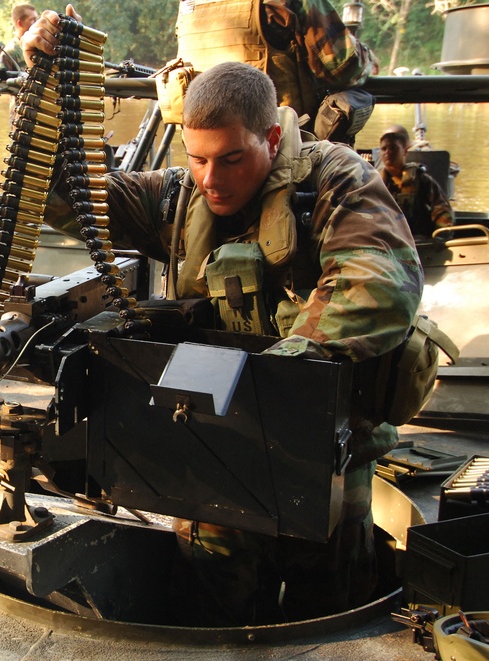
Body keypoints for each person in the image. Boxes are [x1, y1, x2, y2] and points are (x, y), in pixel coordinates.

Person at [24, 8, 421, 624]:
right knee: (209, 611)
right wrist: (46, 80)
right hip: (214, 451)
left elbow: (379, 289)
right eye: (199, 158)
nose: (212, 178)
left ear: (269, 138)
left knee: (326, 618)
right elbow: (62, 197)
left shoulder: (338, 179)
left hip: (321, 453)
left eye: (232, 159)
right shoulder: (183, 193)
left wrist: (272, 378)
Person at [163, 0, 378, 144]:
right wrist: (369, 60)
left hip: (204, 155)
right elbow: (344, 66)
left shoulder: (188, 5)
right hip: (279, 148)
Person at [378, 124, 454, 240]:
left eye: (393, 148)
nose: (388, 152)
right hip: (386, 242)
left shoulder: (421, 180)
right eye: (384, 149)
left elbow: (441, 208)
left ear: (404, 151)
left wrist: (441, 234)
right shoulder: (374, 182)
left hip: (418, 241)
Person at [0, 4, 38, 73]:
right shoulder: (10, 52)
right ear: (20, 24)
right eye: (32, 20)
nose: (37, 23)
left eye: (37, 19)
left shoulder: (40, 47)